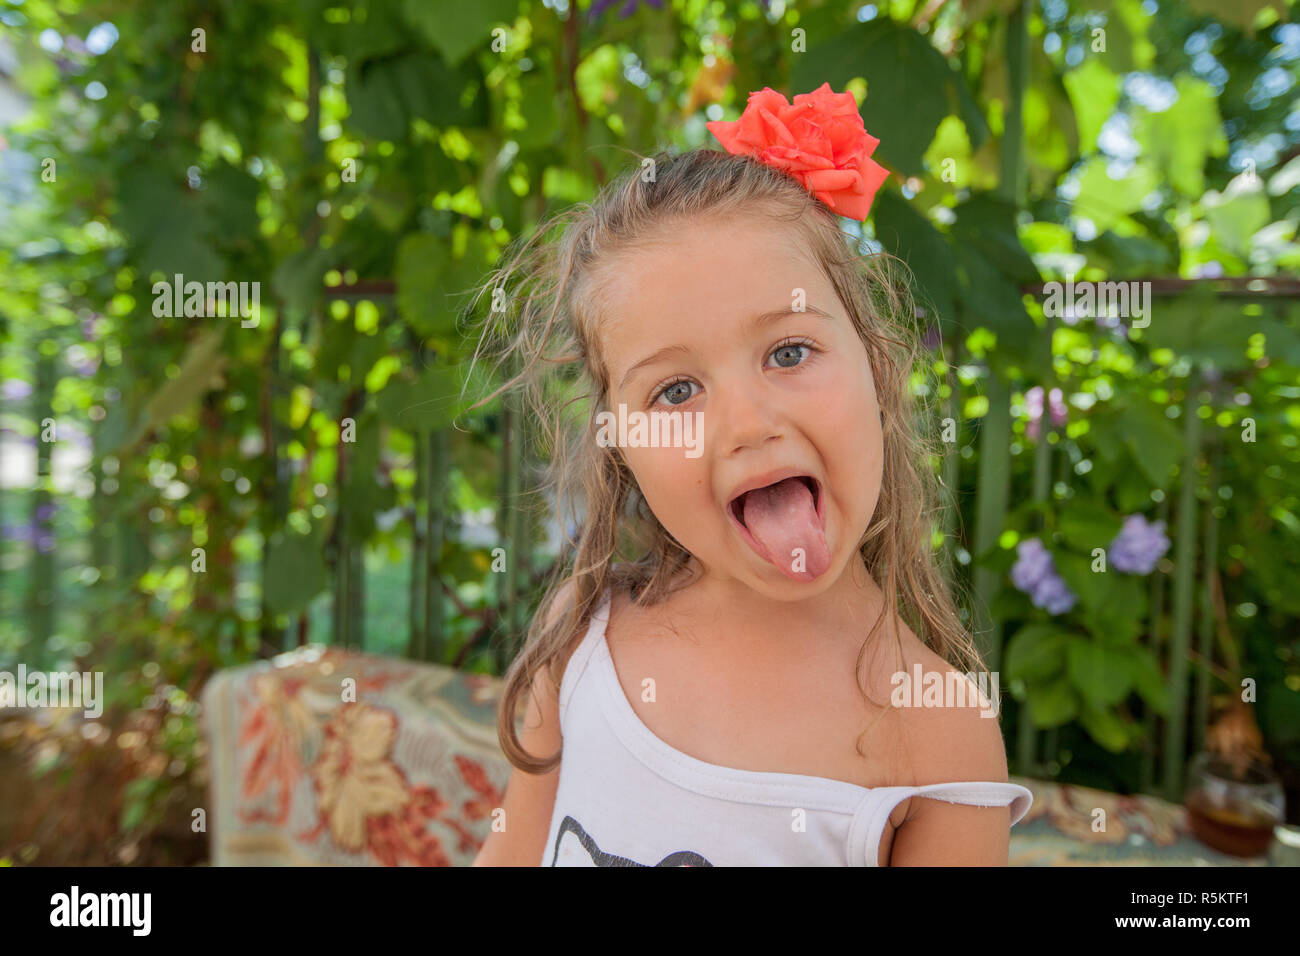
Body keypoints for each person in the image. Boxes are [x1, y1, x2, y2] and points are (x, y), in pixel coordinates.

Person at [469, 84, 1032, 866]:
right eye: (675, 391)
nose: (746, 424)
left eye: (789, 352)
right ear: (619, 443)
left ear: (877, 364)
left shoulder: (940, 736)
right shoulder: (586, 634)